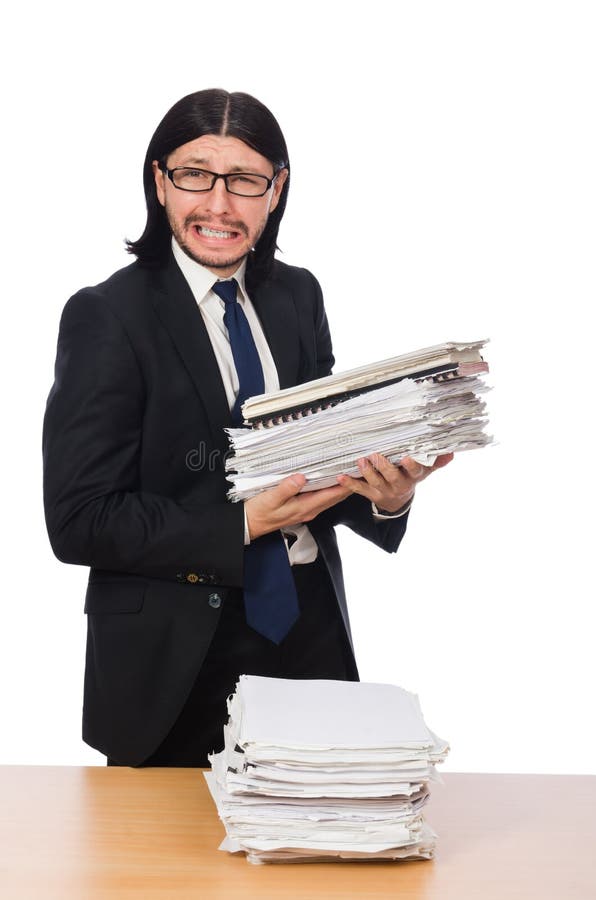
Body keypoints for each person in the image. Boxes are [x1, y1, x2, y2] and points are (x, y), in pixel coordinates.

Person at [43, 89, 452, 767]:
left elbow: (321, 462)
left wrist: (387, 494)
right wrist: (243, 524)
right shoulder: (107, 316)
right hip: (175, 657)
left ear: (277, 188)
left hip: (308, 627)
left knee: (325, 852)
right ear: (159, 181)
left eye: (245, 180)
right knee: (169, 867)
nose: (218, 204)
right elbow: (81, 519)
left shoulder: (298, 296)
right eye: (195, 174)